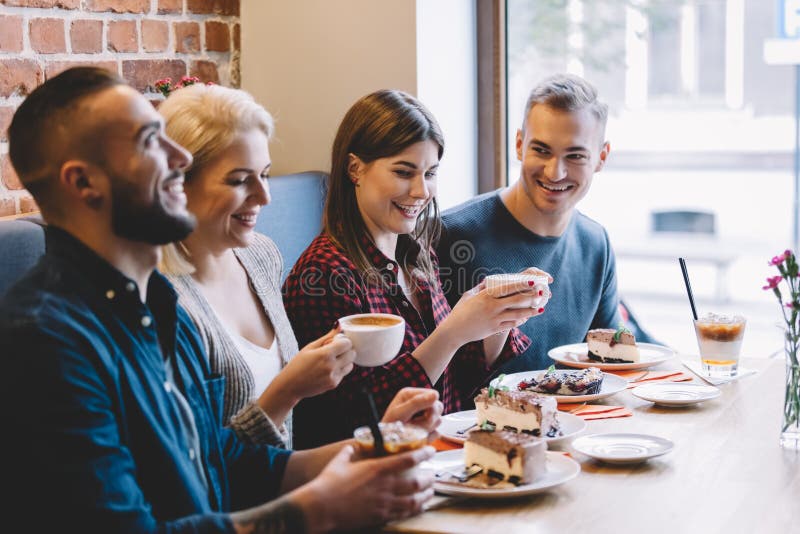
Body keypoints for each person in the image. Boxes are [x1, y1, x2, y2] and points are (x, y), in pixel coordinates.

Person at [0, 67, 437, 532]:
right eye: (151, 141)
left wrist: (369, 449)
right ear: (83, 183)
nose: (178, 156)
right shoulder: (45, 340)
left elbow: (221, 463)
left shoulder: (158, 307)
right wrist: (319, 508)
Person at [283, 89, 550, 449]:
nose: (422, 191)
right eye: (404, 172)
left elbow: (455, 381)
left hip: (445, 455)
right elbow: (362, 419)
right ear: (355, 169)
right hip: (378, 474)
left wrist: (500, 314)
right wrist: (453, 332)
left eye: (430, 173)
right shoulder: (324, 275)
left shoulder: (417, 255)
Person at [157, 83, 357, 449]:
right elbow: (199, 467)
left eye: (264, 174)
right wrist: (288, 390)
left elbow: (285, 449)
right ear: (176, 183)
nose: (264, 197)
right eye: (239, 180)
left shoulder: (261, 255)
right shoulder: (161, 301)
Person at [436, 73, 656, 373]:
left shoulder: (595, 243)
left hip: (577, 419)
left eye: (575, 155)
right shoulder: (450, 234)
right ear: (518, 145)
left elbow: (614, 362)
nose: (555, 173)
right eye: (541, 150)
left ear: (601, 157)